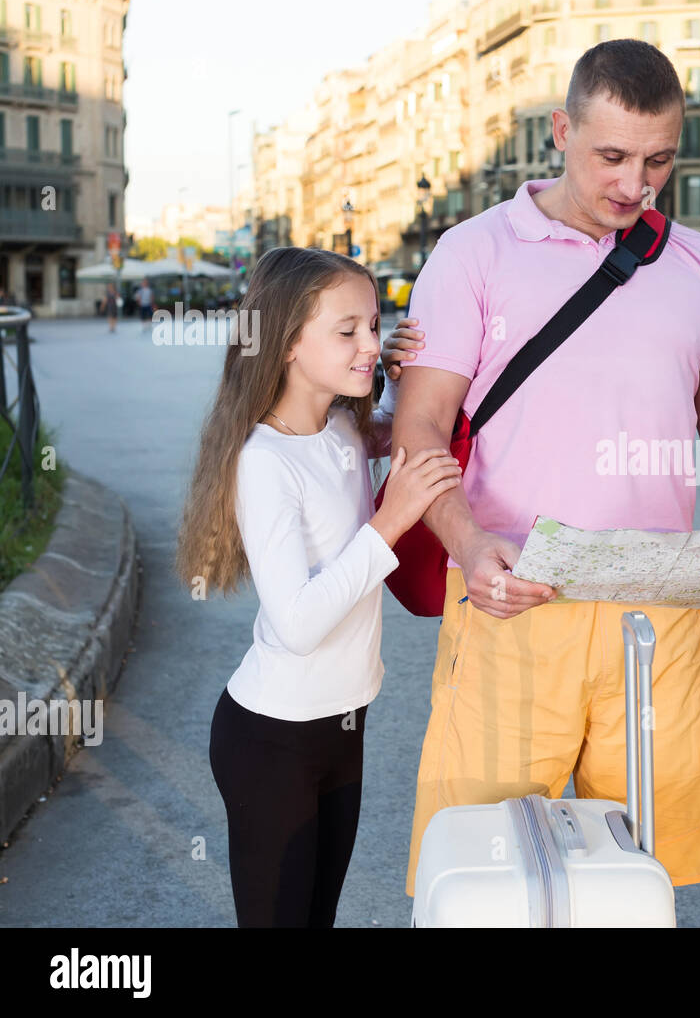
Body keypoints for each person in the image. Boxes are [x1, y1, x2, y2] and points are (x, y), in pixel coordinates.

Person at [381, 39, 700, 898]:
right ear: (561, 130)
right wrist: (471, 546)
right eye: (613, 157)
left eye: (660, 160)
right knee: (493, 876)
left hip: (656, 615)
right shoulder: (472, 253)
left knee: (642, 879)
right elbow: (419, 431)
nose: (636, 185)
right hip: (512, 602)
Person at [174, 246, 462, 926]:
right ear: (288, 343)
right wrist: (389, 522)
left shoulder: (339, 425)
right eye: (348, 330)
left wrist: (390, 371)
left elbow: (399, 429)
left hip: (343, 725)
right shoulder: (264, 462)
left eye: (373, 323)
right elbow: (298, 624)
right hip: (272, 738)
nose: (369, 340)